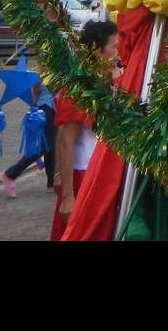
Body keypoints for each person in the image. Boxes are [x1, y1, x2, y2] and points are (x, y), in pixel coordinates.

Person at [52, 21, 119, 240]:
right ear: (98, 51)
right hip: (86, 176)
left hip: (112, 174)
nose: (120, 51)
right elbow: (64, 139)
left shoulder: (122, 78)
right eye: (114, 46)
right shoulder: (81, 85)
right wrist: (68, 197)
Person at [1, 81, 56, 196]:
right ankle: (11, 174)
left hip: (55, 110)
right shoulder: (42, 71)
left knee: (51, 147)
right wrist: (32, 111)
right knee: (44, 146)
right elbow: (35, 92)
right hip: (45, 110)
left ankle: (52, 182)